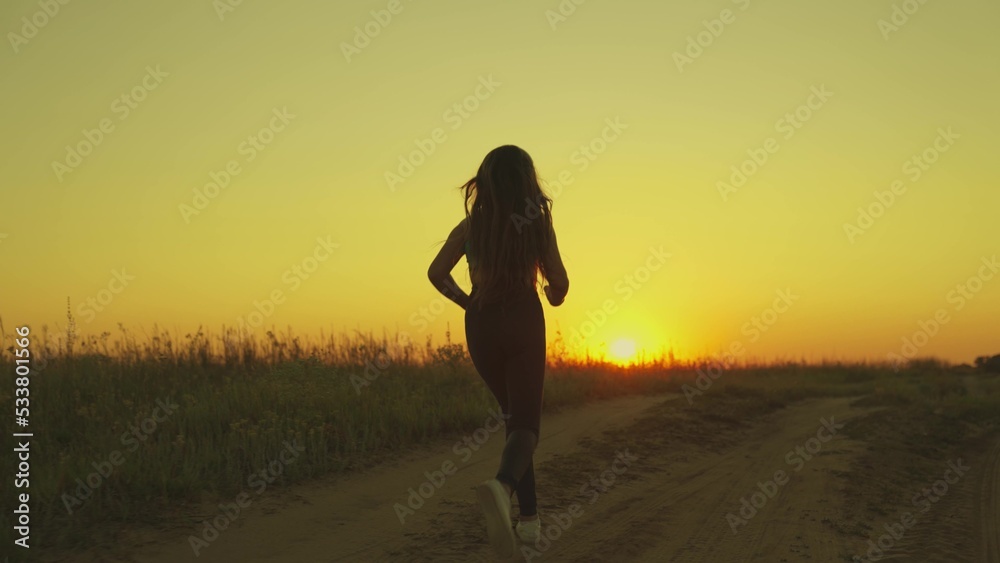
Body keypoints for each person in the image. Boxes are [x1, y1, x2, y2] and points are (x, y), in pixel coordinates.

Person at [427, 145, 569, 557]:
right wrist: (552, 294)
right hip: (523, 317)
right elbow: (559, 284)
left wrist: (466, 302)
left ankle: (528, 525)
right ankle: (502, 488)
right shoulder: (537, 225)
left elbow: (437, 273)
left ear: (484, 183)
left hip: (481, 321)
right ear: (527, 182)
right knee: (526, 427)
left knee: (514, 422)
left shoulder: (472, 227)